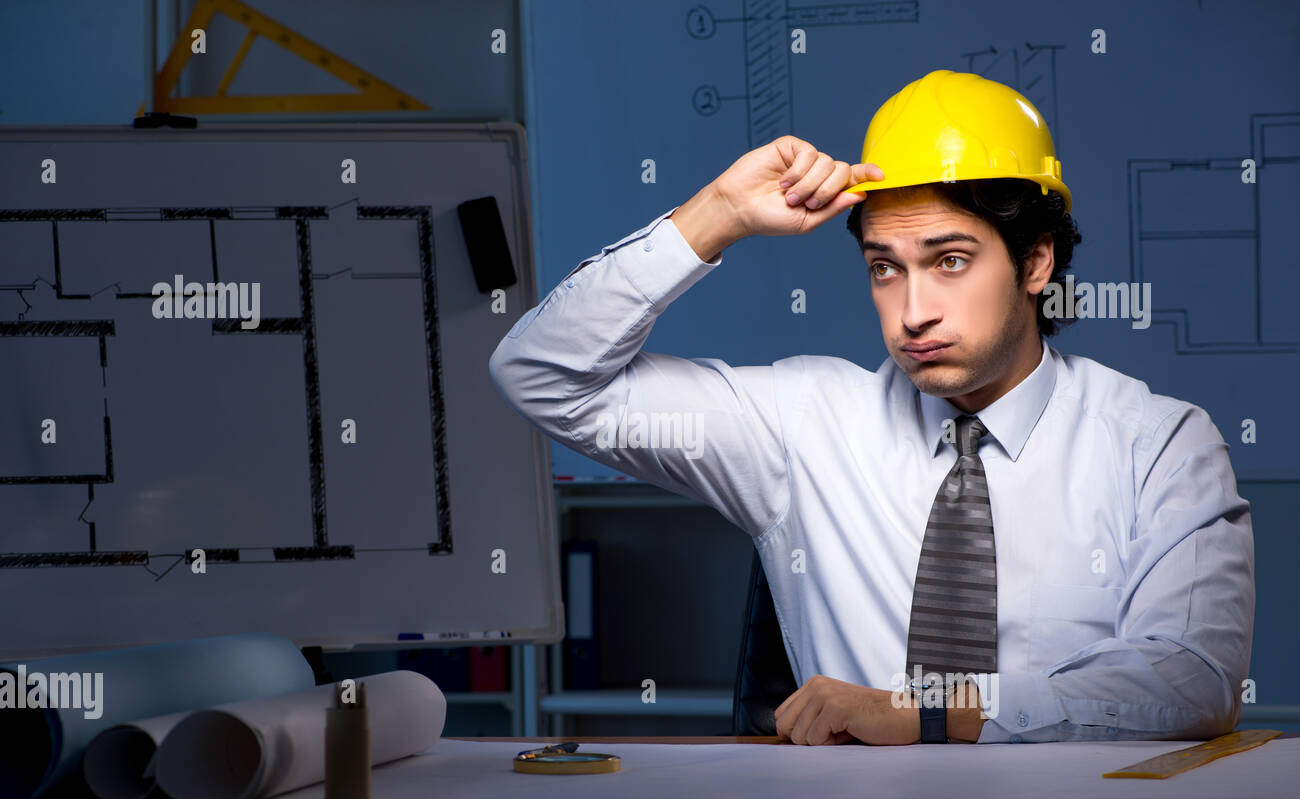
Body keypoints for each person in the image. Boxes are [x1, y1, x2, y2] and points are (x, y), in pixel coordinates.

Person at [488, 70, 1253, 746]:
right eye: (886, 269)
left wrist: (935, 711)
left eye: (950, 261)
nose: (912, 311)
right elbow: (542, 373)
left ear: (1036, 261)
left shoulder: (1157, 443)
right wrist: (717, 212)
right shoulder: (802, 421)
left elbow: (1194, 678)